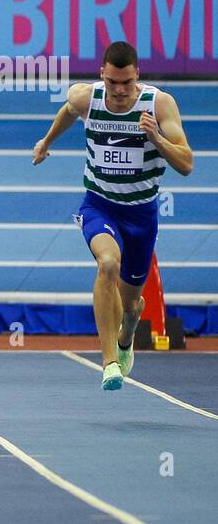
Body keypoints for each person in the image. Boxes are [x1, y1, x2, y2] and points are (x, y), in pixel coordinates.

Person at [33, 41, 193, 390]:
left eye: (126, 83)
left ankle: (126, 338)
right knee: (107, 264)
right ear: (102, 74)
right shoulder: (85, 97)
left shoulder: (159, 103)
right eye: (113, 83)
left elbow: (186, 164)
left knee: (132, 303)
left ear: (137, 75)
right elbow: (68, 113)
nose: (120, 91)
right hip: (99, 205)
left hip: (141, 216)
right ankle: (108, 363)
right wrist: (46, 142)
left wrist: (156, 137)